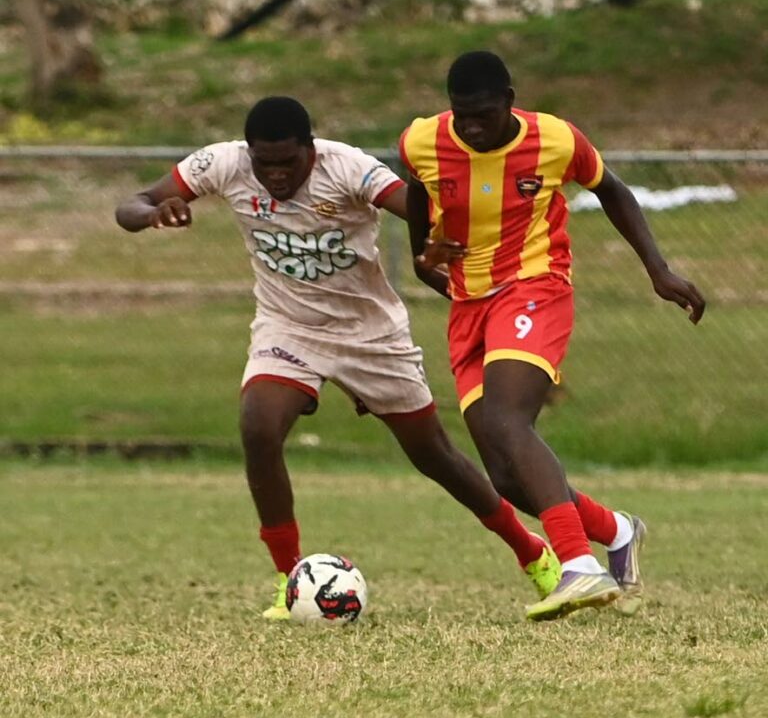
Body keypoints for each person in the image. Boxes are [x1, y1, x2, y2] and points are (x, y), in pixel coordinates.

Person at [115, 95, 562, 621]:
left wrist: (435, 242)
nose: (276, 175)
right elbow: (132, 205)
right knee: (259, 427)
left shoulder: (347, 167)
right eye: (264, 164)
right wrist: (154, 213)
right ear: (249, 153)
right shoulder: (222, 163)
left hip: (370, 334)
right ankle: (287, 580)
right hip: (289, 327)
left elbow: (416, 204)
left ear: (311, 149)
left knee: (435, 457)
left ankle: (531, 552)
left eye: (288, 162)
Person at [400, 51, 706, 621]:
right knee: (505, 475)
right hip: (467, 306)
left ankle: (578, 565)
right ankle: (616, 531)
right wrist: (423, 254)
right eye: (462, 115)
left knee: (507, 419)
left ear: (509, 101)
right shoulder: (421, 141)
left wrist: (658, 269)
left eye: (484, 115)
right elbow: (417, 188)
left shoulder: (556, 140)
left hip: (534, 285)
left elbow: (613, 190)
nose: (472, 127)